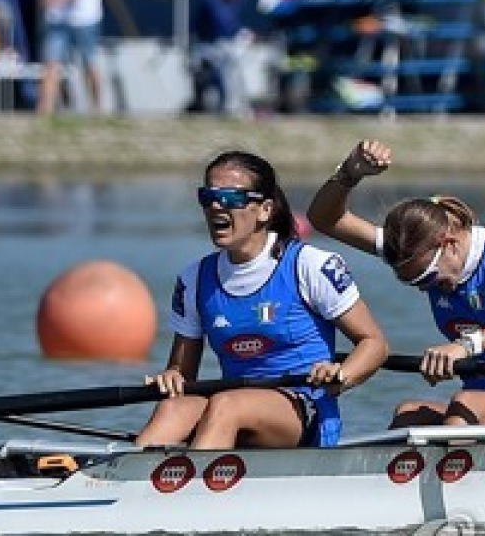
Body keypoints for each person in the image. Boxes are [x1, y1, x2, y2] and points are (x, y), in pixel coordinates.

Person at [307, 140, 485, 427]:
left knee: (465, 405)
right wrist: (349, 173)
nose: (426, 288)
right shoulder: (412, 252)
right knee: (408, 414)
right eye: (414, 283)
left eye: (428, 279)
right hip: (477, 403)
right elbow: (324, 220)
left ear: (448, 243)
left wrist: (466, 345)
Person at [135, 151, 389, 450]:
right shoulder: (194, 279)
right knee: (173, 408)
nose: (216, 206)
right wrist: (172, 377)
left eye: (230, 198)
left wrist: (343, 374)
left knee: (226, 405)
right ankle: (123, 476)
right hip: (231, 403)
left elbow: (374, 344)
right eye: (208, 197)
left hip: (305, 406)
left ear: (265, 210)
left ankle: (195, 477)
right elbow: (183, 374)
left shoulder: (309, 265)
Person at [190, 0, 253, 116]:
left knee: (234, 59)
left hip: (218, 47)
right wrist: (240, 32)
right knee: (229, 61)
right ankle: (230, 106)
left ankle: (236, 104)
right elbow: (222, 24)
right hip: (204, 48)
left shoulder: (232, 1)